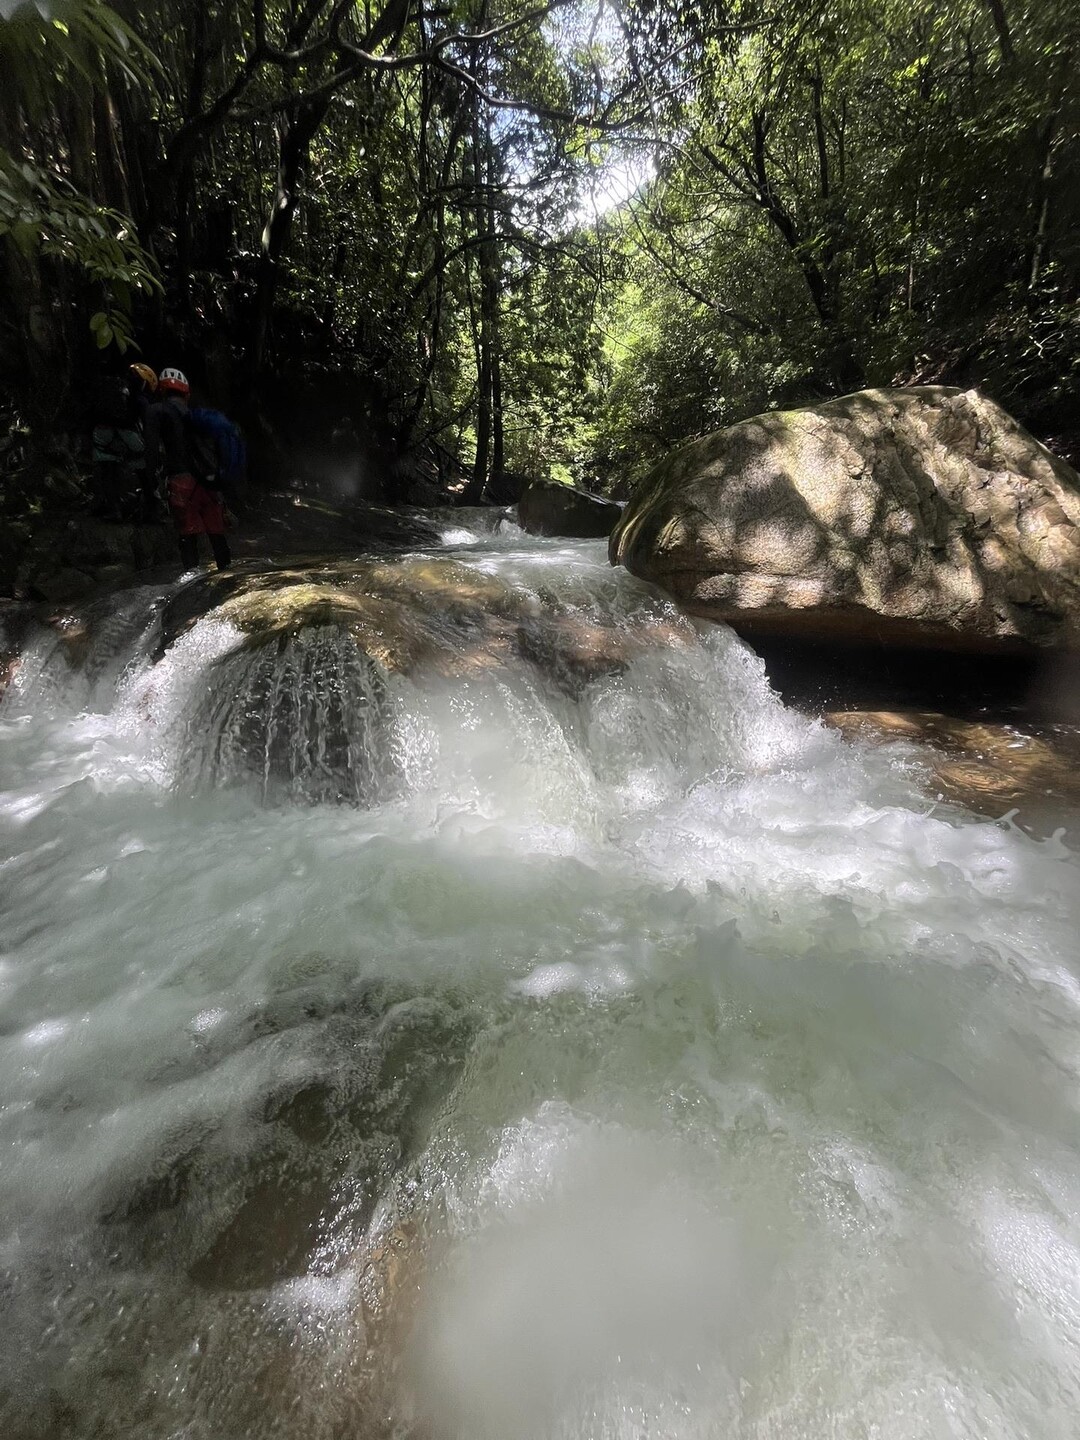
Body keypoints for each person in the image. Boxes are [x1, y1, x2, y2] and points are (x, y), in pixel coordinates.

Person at [145, 367, 231, 571]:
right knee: (217, 535)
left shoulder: (156, 411)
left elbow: (151, 450)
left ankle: (192, 585)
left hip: (182, 482)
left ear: (162, 391)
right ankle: (226, 579)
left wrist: (150, 485)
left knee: (188, 535)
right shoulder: (198, 415)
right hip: (209, 482)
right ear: (187, 394)